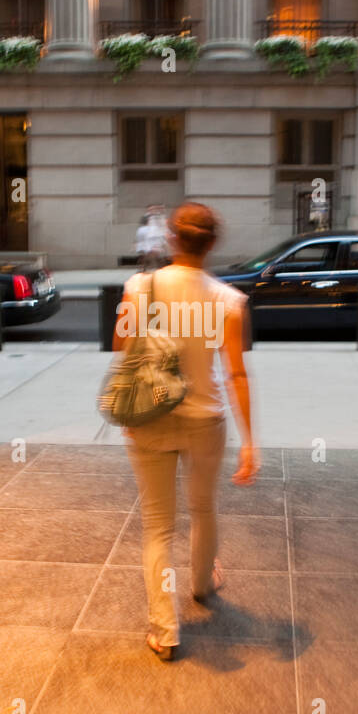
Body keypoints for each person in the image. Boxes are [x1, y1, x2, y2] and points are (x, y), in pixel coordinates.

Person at [113, 202, 259, 662]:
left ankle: (165, 630)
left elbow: (122, 347)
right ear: (212, 244)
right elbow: (236, 374)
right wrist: (250, 442)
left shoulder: (139, 286)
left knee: (158, 526)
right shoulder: (229, 301)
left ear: (172, 239)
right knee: (203, 508)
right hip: (206, 421)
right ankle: (200, 585)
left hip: (150, 417)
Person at [135, 205, 168, 271]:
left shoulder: (158, 216)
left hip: (155, 237)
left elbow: (162, 225)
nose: (152, 210)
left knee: (157, 255)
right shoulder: (145, 218)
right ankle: (143, 267)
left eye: (153, 209)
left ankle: (160, 268)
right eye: (150, 209)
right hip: (147, 236)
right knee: (145, 255)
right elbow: (142, 226)